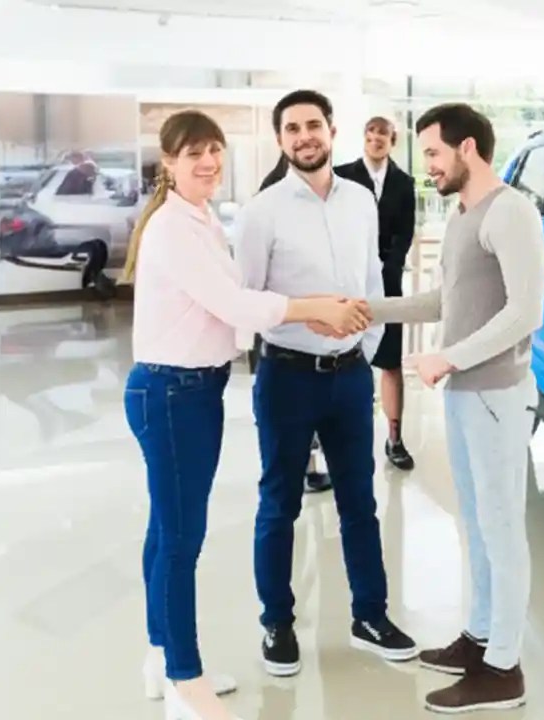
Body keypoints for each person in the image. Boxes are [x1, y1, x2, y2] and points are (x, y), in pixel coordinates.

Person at [122, 109, 370, 720]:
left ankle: (160, 658)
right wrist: (311, 307)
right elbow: (234, 301)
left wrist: (306, 315)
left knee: (165, 532)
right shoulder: (174, 229)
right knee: (181, 540)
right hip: (173, 394)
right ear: (169, 164)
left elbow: (233, 309)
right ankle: (186, 679)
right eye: (193, 155)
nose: (207, 163)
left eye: (214, 151)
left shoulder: (200, 218)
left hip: (190, 391)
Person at [366, 103, 544, 714]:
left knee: (501, 529)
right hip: (470, 396)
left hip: (496, 394)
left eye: (435, 155)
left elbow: (525, 313)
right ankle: (480, 637)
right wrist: (374, 308)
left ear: (468, 149)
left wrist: (448, 359)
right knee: (476, 524)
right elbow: (450, 298)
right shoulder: (466, 217)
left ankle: (505, 670)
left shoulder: (511, 212)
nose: (428, 169)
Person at [233, 89, 418, 678]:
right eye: (292, 128)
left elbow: (370, 282)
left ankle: (370, 616)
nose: (304, 136)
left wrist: (359, 351)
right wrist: (305, 317)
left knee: (359, 502)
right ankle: (277, 622)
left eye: (313, 124)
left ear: (331, 130)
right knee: (279, 504)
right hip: (286, 376)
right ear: (280, 139)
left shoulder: (361, 201)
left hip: (348, 378)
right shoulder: (262, 211)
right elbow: (248, 301)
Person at [335, 116, 418, 472]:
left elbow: (405, 233)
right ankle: (338, 439)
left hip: (388, 285)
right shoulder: (341, 175)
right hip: (347, 282)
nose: (375, 139)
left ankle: (395, 439)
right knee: (343, 360)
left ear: (392, 140)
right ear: (363, 138)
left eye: (382, 135)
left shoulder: (404, 182)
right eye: (370, 134)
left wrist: (387, 271)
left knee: (390, 362)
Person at [255, 157, 333, 495]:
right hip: (285, 347)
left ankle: (312, 464)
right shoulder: (269, 199)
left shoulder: (342, 197)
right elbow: (250, 291)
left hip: (332, 345)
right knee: (279, 485)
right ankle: (305, 466)